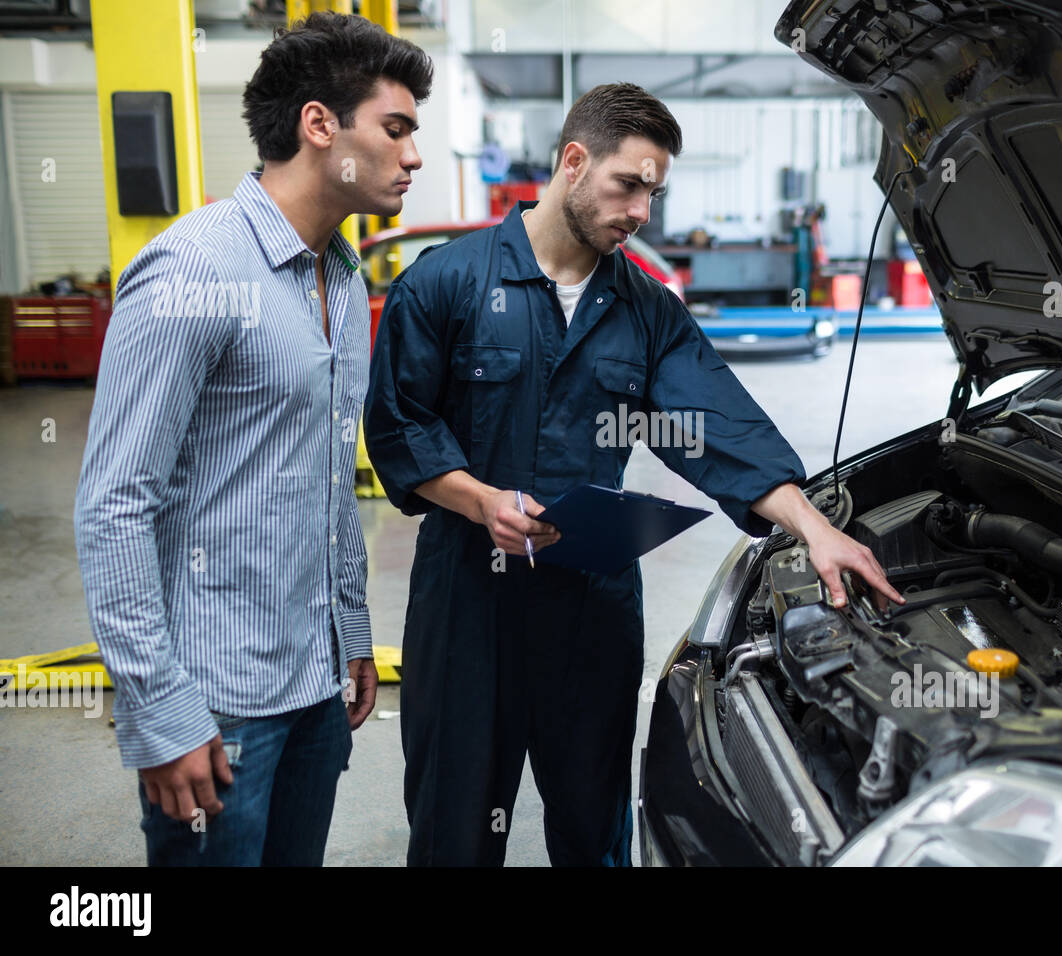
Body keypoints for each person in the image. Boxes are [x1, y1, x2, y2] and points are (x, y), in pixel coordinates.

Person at [364, 82, 904, 867]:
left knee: (595, 830)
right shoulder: (447, 283)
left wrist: (816, 531)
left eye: (655, 192)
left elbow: (720, 430)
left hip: (590, 613)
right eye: (630, 184)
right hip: (467, 609)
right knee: (455, 830)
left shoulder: (646, 311)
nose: (643, 210)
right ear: (575, 162)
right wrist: (480, 501)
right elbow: (400, 426)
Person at [73, 12, 432, 866]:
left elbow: (322, 477)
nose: (414, 155)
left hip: (313, 683)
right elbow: (115, 503)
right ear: (319, 126)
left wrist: (349, 631)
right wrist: (159, 711)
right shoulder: (195, 268)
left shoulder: (341, 278)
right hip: (215, 700)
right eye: (396, 128)